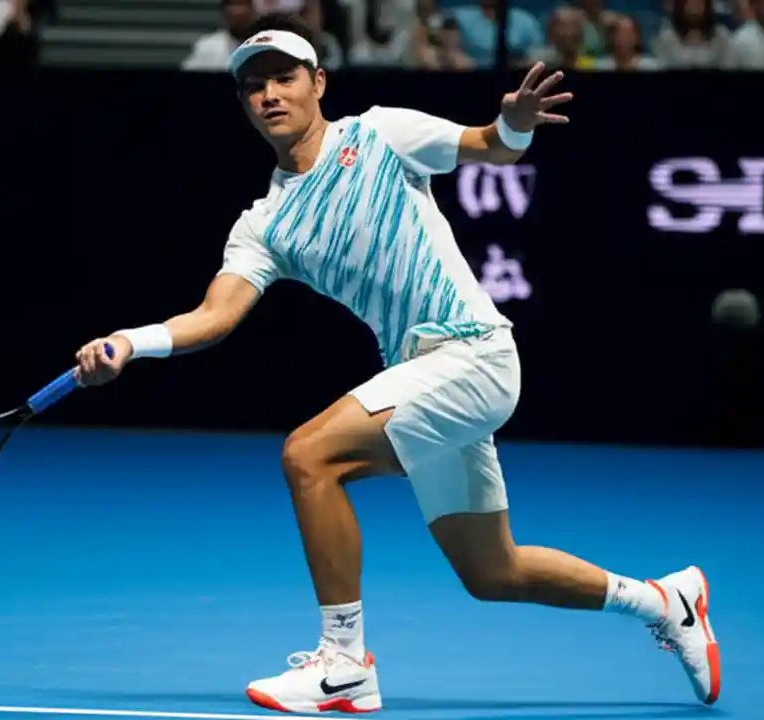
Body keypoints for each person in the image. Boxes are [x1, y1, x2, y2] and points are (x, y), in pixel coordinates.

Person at [72, 13, 720, 713]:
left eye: (284, 77)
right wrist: (131, 342)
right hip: (423, 377)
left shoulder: (379, 134)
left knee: (309, 456)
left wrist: (516, 124)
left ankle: (344, 662)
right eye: (252, 86)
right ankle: (664, 602)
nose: (269, 95)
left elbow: (490, 147)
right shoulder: (263, 223)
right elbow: (214, 317)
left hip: (473, 353)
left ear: (318, 82)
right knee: (491, 569)